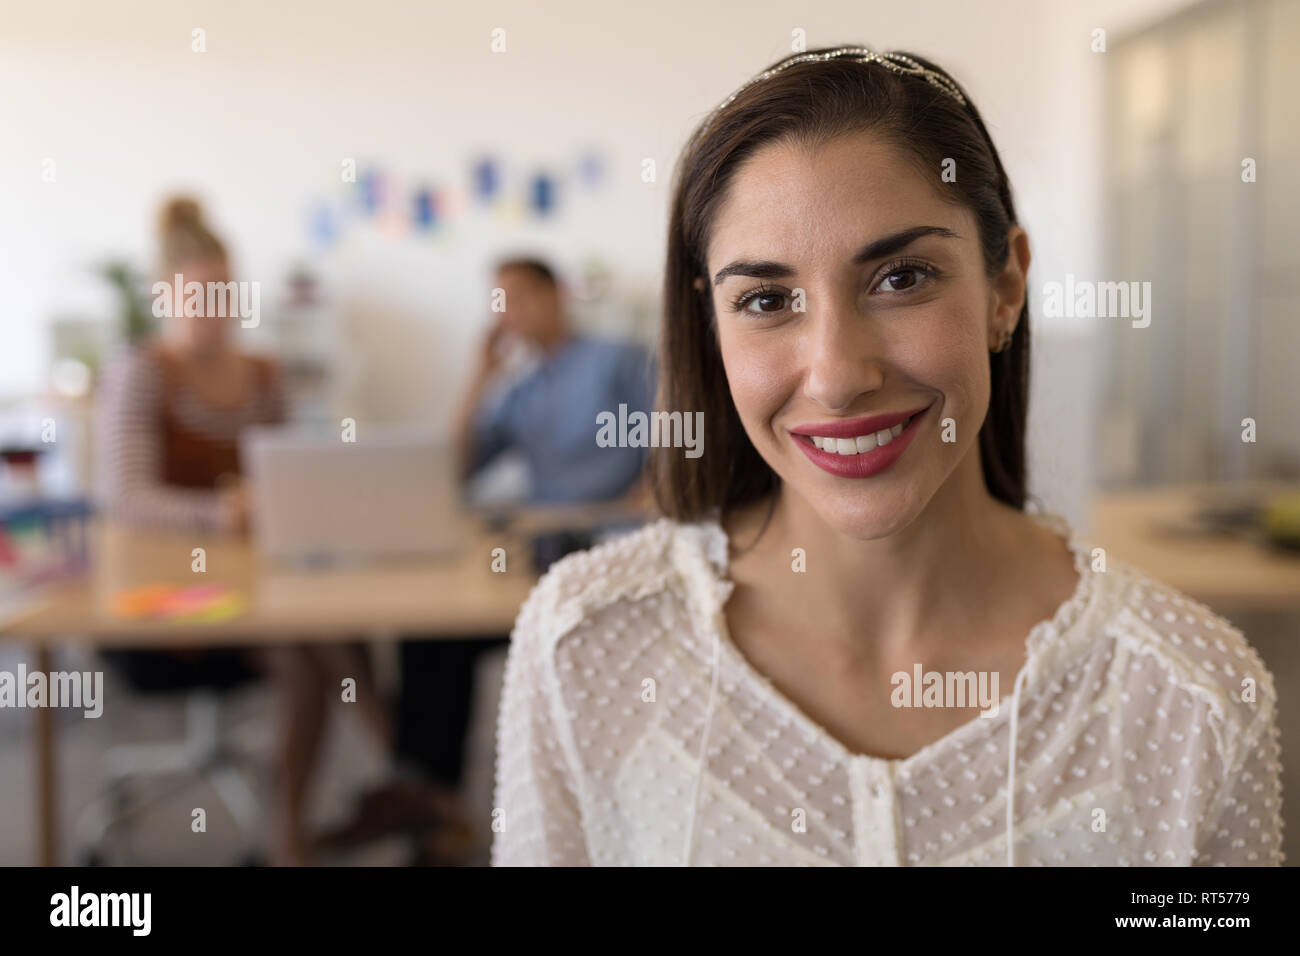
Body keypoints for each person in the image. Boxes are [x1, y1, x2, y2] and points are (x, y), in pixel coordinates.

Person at [490, 47, 1284, 866]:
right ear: (712, 327)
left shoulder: (1192, 701)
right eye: (766, 300)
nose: (836, 378)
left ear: (1005, 289)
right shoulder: (586, 646)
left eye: (901, 279)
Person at [96, 197, 392, 866]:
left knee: (332, 625)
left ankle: (333, 809)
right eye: (200, 295)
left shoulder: (263, 375)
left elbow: (287, 475)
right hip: (168, 592)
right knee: (308, 643)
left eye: (225, 292)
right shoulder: (143, 372)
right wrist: (216, 515)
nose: (216, 307)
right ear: (165, 296)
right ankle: (380, 773)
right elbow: (126, 498)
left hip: (256, 584)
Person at [333, 257, 655, 863]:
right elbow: (451, 472)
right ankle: (430, 798)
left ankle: (423, 793)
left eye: (519, 296)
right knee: (430, 630)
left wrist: (639, 501)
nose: (507, 313)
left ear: (558, 294)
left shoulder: (619, 359)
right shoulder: (521, 390)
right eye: (497, 301)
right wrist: (477, 378)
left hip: (613, 542)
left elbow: (678, 443)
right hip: (542, 551)